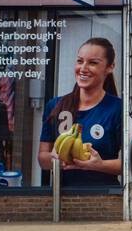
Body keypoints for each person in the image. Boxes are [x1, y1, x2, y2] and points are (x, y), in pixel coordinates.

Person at [38, 37, 123, 189]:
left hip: (105, 199)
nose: (83, 68)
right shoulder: (55, 106)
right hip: (61, 198)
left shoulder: (118, 109)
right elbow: (42, 159)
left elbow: (130, 165)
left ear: (110, 67)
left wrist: (99, 165)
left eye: (93, 63)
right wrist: (54, 158)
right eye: (79, 61)